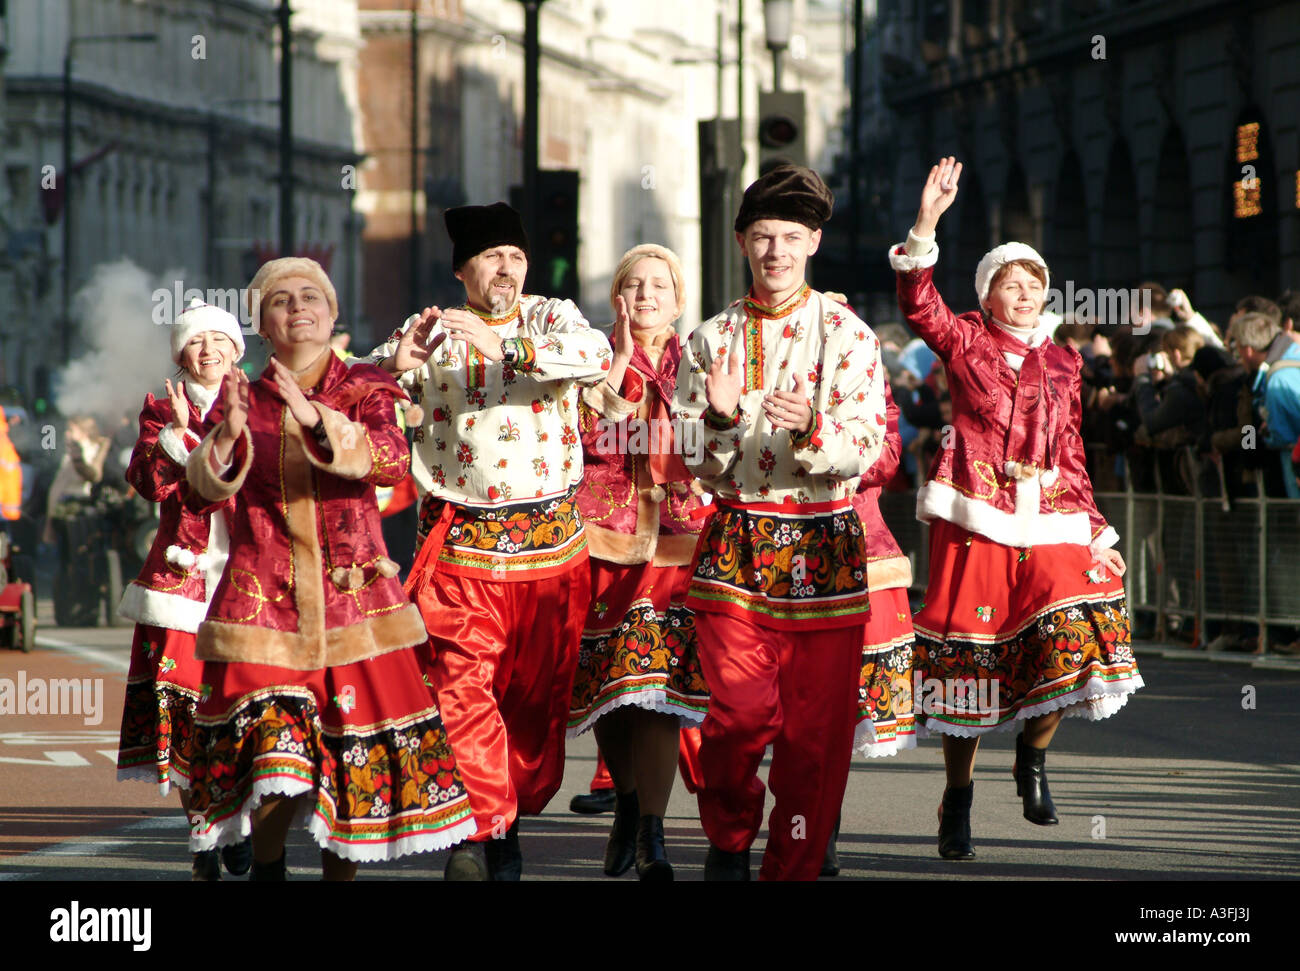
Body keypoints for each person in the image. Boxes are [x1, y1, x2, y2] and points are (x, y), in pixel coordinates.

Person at [182, 257, 475, 880]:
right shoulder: (243, 398)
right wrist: (228, 438)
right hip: (262, 604)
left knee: (353, 766)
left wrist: (318, 420)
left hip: (358, 604)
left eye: (311, 296)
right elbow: (199, 496)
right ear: (261, 322)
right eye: (282, 300)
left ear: (333, 312)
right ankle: (268, 867)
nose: (298, 308)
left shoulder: (370, 386)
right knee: (273, 756)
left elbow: (392, 462)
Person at [890, 157, 1143, 860]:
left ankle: (1032, 759)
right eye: (1011, 281)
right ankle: (959, 796)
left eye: (1034, 282)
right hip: (977, 515)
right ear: (989, 294)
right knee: (970, 665)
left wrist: (1096, 534)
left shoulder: (1065, 363)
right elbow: (918, 304)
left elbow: (1072, 450)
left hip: (1053, 516)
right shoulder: (963, 338)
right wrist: (928, 221)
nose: (1025, 291)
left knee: (1077, 628)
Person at [358, 202, 613, 879]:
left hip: (551, 550)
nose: (506, 267)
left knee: (534, 706)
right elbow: (351, 389)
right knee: (460, 690)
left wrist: (509, 348)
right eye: (490, 256)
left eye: (515, 256)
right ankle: (480, 830)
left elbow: (597, 356)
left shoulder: (553, 317)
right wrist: (393, 362)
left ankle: (508, 812)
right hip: (461, 547)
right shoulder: (432, 329)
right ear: (461, 269)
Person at [673, 164, 888, 880]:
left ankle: (792, 863)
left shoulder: (851, 336)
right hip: (738, 543)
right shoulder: (708, 341)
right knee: (737, 717)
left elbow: (865, 447)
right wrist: (726, 415)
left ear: (814, 242)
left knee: (814, 739)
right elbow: (695, 462)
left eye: (790, 237)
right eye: (763, 237)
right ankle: (730, 831)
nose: (776, 251)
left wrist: (809, 427)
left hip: (825, 546)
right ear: (741, 242)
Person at [567, 244, 708, 880]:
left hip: (681, 543)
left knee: (656, 693)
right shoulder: (590, 360)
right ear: (616, 298)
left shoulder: (703, 359)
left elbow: (722, 443)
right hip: (605, 541)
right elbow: (580, 445)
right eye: (634, 286)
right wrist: (620, 372)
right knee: (611, 695)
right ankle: (627, 804)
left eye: (659, 286)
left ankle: (652, 831)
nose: (647, 296)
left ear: (679, 299)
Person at [115, 298, 249, 879]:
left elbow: (236, 486)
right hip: (180, 583)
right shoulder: (156, 415)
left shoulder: (256, 408)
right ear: (180, 353)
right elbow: (149, 482)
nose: (209, 350)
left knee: (248, 711)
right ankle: (203, 839)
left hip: (248, 579)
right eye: (197, 341)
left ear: (236, 350)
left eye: (220, 340)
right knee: (188, 716)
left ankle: (242, 825)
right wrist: (173, 433)